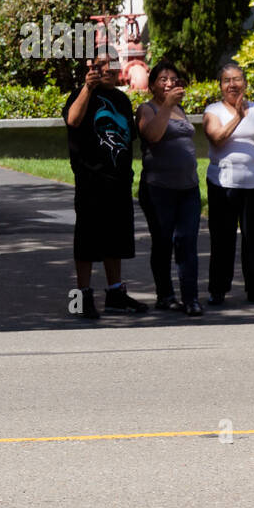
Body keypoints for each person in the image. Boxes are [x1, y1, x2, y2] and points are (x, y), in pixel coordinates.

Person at [62, 52, 148, 318]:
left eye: (112, 65)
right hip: (90, 181)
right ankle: (80, 299)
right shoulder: (81, 94)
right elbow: (73, 121)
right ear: (92, 69)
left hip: (119, 182)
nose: (108, 71)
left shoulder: (121, 100)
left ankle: (115, 294)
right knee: (86, 242)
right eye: (102, 66)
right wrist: (88, 88)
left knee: (116, 240)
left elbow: (127, 137)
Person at [136, 62, 203, 316]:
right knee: (163, 242)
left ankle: (191, 298)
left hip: (188, 187)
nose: (169, 83)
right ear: (152, 85)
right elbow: (152, 135)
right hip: (158, 189)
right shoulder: (147, 109)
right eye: (163, 79)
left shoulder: (180, 110)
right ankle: (165, 295)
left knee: (187, 241)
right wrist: (165, 105)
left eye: (173, 79)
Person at [203, 62, 254, 304]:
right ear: (221, 86)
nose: (232, 84)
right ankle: (218, 290)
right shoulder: (213, 110)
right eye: (226, 80)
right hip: (223, 185)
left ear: (245, 83)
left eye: (237, 80)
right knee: (222, 239)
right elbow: (217, 138)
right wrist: (239, 116)